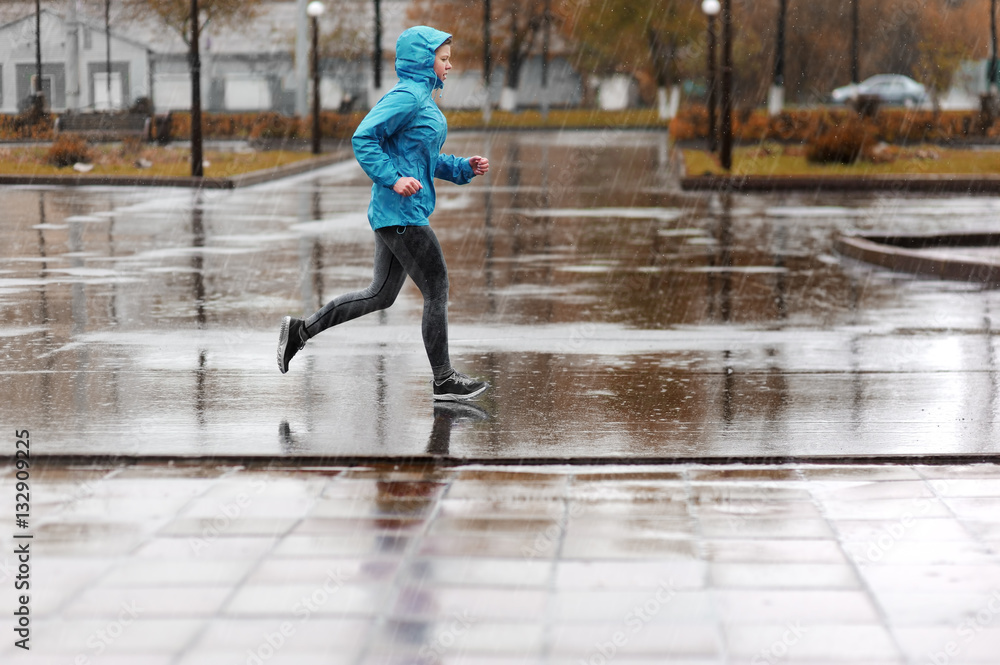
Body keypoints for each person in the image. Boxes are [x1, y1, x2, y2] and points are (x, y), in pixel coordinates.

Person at [277, 25, 490, 402]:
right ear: (425, 61)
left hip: (399, 213)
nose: (450, 65)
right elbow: (364, 137)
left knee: (380, 295)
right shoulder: (408, 96)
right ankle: (443, 379)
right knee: (437, 288)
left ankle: (300, 331)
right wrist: (393, 180)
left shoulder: (422, 99)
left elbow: (421, 158)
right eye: (443, 58)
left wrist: (462, 168)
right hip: (402, 213)